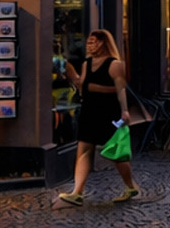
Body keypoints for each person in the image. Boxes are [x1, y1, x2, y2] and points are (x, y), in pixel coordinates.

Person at [57, 29, 139, 206]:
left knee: (116, 153)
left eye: (93, 41)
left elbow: (121, 89)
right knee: (84, 151)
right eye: (88, 41)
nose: (89, 44)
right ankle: (77, 192)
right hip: (89, 111)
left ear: (103, 43)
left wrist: (125, 112)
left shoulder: (115, 64)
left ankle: (131, 186)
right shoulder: (87, 64)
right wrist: (73, 76)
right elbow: (83, 87)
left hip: (108, 112)